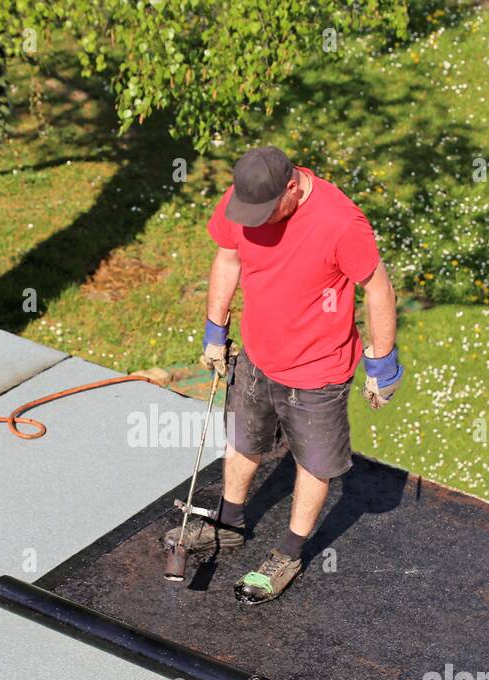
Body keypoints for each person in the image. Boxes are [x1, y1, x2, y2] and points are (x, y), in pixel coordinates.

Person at [163, 145, 403, 605]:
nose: (254, 221)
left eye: (265, 212)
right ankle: (228, 525)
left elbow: (377, 288)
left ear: (292, 187)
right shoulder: (247, 198)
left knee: (313, 463)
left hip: (318, 369)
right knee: (243, 440)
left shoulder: (340, 223)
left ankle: (289, 553)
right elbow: (227, 259)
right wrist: (216, 330)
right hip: (256, 351)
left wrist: (383, 363)